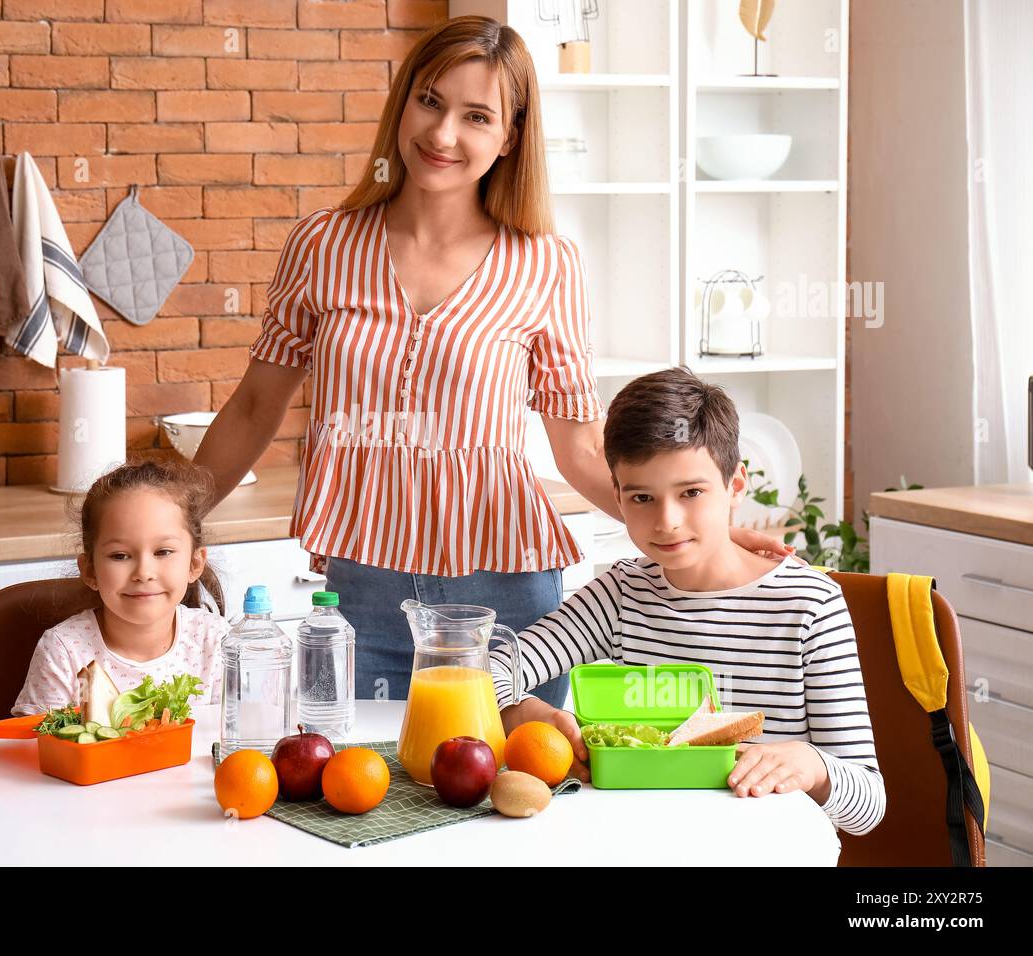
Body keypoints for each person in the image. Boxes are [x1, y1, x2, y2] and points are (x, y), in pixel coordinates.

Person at [192, 15, 792, 707]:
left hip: (506, 598)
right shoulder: (323, 244)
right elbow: (253, 407)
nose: (443, 134)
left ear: (509, 136)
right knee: (365, 799)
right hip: (357, 591)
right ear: (403, 102)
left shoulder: (546, 263)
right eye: (429, 101)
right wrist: (175, 520)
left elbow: (580, 450)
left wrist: (692, 526)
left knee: (515, 795)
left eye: (476, 116)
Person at [491, 367, 886, 835]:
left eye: (692, 492)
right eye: (642, 497)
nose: (668, 521)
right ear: (617, 496)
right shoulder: (622, 594)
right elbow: (479, 674)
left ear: (735, 486)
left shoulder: (810, 606)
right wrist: (523, 710)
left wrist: (815, 767)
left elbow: (868, 806)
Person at [12, 458, 230, 716]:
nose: (143, 573)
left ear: (194, 564)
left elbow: (241, 741)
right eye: (120, 556)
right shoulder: (64, 651)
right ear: (90, 570)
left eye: (163, 551)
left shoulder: (216, 641)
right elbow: (38, 747)